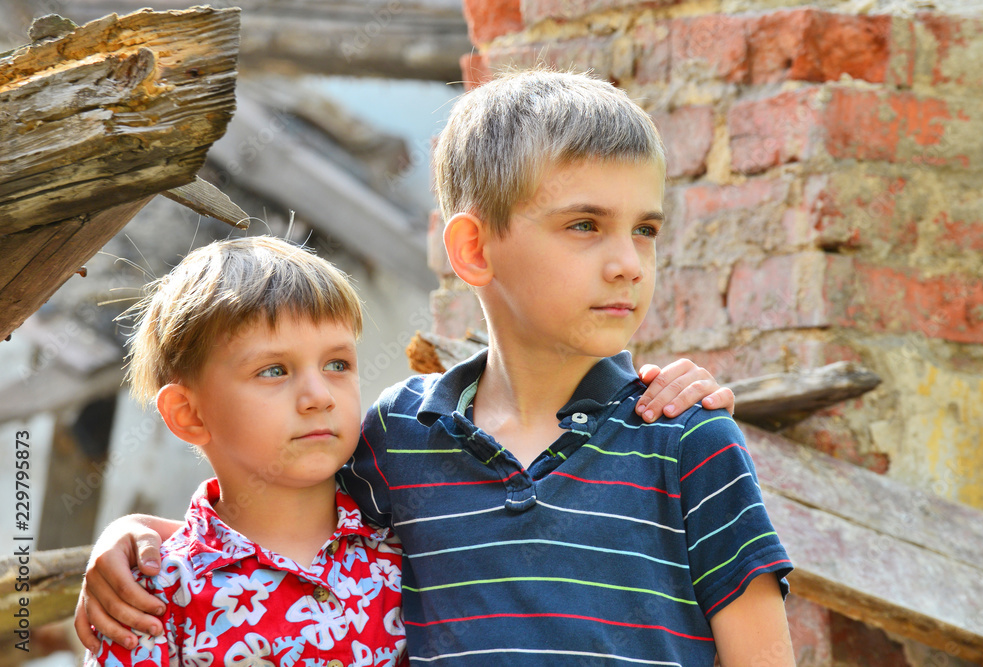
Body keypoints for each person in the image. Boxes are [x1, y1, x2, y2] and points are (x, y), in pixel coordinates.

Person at [75, 68, 780, 664]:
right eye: (584, 225)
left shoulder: (687, 440)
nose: (629, 262)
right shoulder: (398, 439)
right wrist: (131, 535)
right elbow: (274, 524)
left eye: (646, 229)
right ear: (473, 249)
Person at [83, 236, 409, 666]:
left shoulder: (408, 546)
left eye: (337, 364)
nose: (319, 396)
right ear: (189, 414)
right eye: (274, 370)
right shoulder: (153, 596)